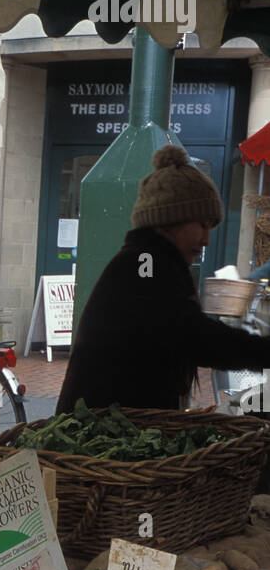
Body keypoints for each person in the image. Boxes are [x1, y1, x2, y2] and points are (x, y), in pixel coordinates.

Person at [56, 145, 269, 414]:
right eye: (201, 225)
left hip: (123, 423)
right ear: (169, 220)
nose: (206, 240)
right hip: (102, 431)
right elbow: (193, 335)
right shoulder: (145, 263)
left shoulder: (152, 260)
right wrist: (263, 351)